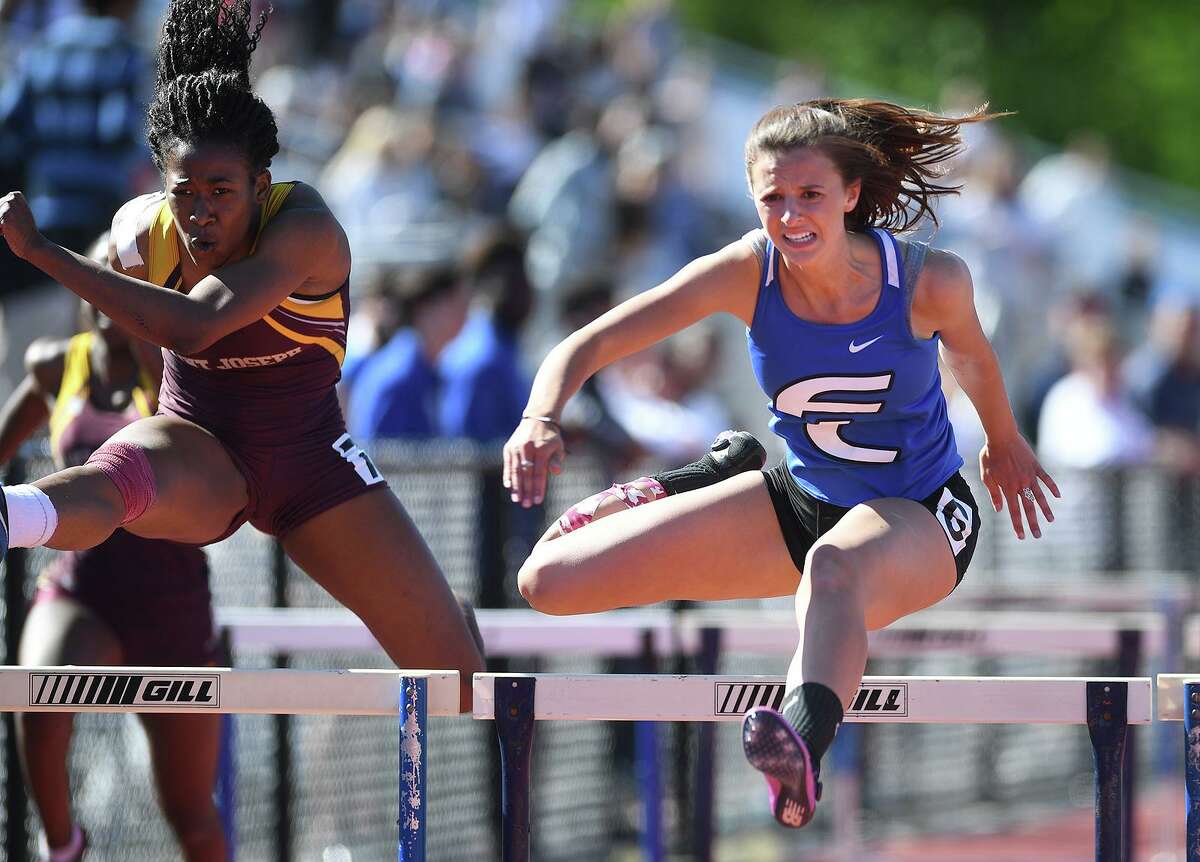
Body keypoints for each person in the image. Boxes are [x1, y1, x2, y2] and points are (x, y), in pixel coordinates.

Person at [503, 99, 1058, 829]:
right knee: (547, 582)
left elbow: (975, 360)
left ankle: (798, 742)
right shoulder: (746, 272)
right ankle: (684, 481)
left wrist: (1005, 439)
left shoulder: (930, 280)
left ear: (851, 196)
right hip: (797, 502)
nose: (791, 216)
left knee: (834, 570)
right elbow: (588, 344)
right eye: (773, 198)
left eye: (810, 196)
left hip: (919, 512)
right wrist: (538, 418)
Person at [0, 0, 484, 719]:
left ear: (260, 185)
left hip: (315, 467)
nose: (200, 214)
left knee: (459, 683)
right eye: (183, 193)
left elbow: (197, 326)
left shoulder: (307, 227)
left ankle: (467, 667)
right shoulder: (137, 234)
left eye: (221, 192)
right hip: (200, 448)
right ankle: (12, 515)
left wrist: (40, 253)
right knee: (124, 469)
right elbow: (134, 336)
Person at [0, 245, 222, 860]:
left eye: (128, 285)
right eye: (101, 278)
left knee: (192, 815)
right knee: (38, 706)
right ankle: (64, 846)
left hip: (172, 599)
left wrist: (150, 335)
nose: (109, 294)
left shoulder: (174, 372)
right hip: (85, 589)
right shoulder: (55, 367)